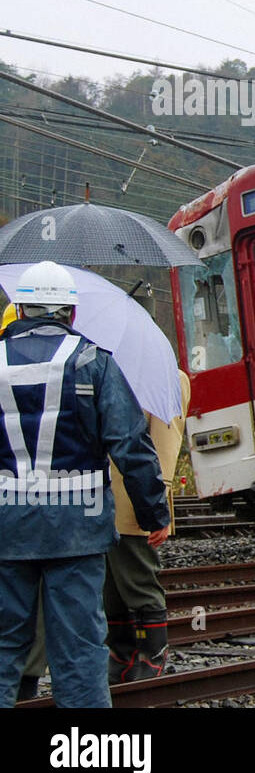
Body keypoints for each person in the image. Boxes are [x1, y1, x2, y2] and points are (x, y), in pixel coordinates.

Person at [0, 261, 170, 708]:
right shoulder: (93, 362)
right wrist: (155, 513)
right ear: (71, 313)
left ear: (19, 309)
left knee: (3, 648)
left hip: (6, 530)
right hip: (77, 530)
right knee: (79, 649)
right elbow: (132, 447)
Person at [105, 369, 190, 682]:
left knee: (138, 576)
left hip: (136, 493)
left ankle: (152, 652)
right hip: (103, 494)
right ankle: (122, 651)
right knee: (110, 585)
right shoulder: (107, 369)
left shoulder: (164, 373)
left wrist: (158, 498)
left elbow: (166, 441)